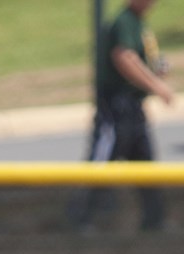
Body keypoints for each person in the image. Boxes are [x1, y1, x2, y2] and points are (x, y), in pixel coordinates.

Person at [69, 0, 177, 232]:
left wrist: (157, 70)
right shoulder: (123, 22)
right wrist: (157, 86)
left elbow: (141, 59)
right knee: (101, 163)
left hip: (134, 108)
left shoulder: (139, 24)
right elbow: (124, 58)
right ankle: (81, 219)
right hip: (116, 108)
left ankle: (154, 220)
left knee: (146, 163)